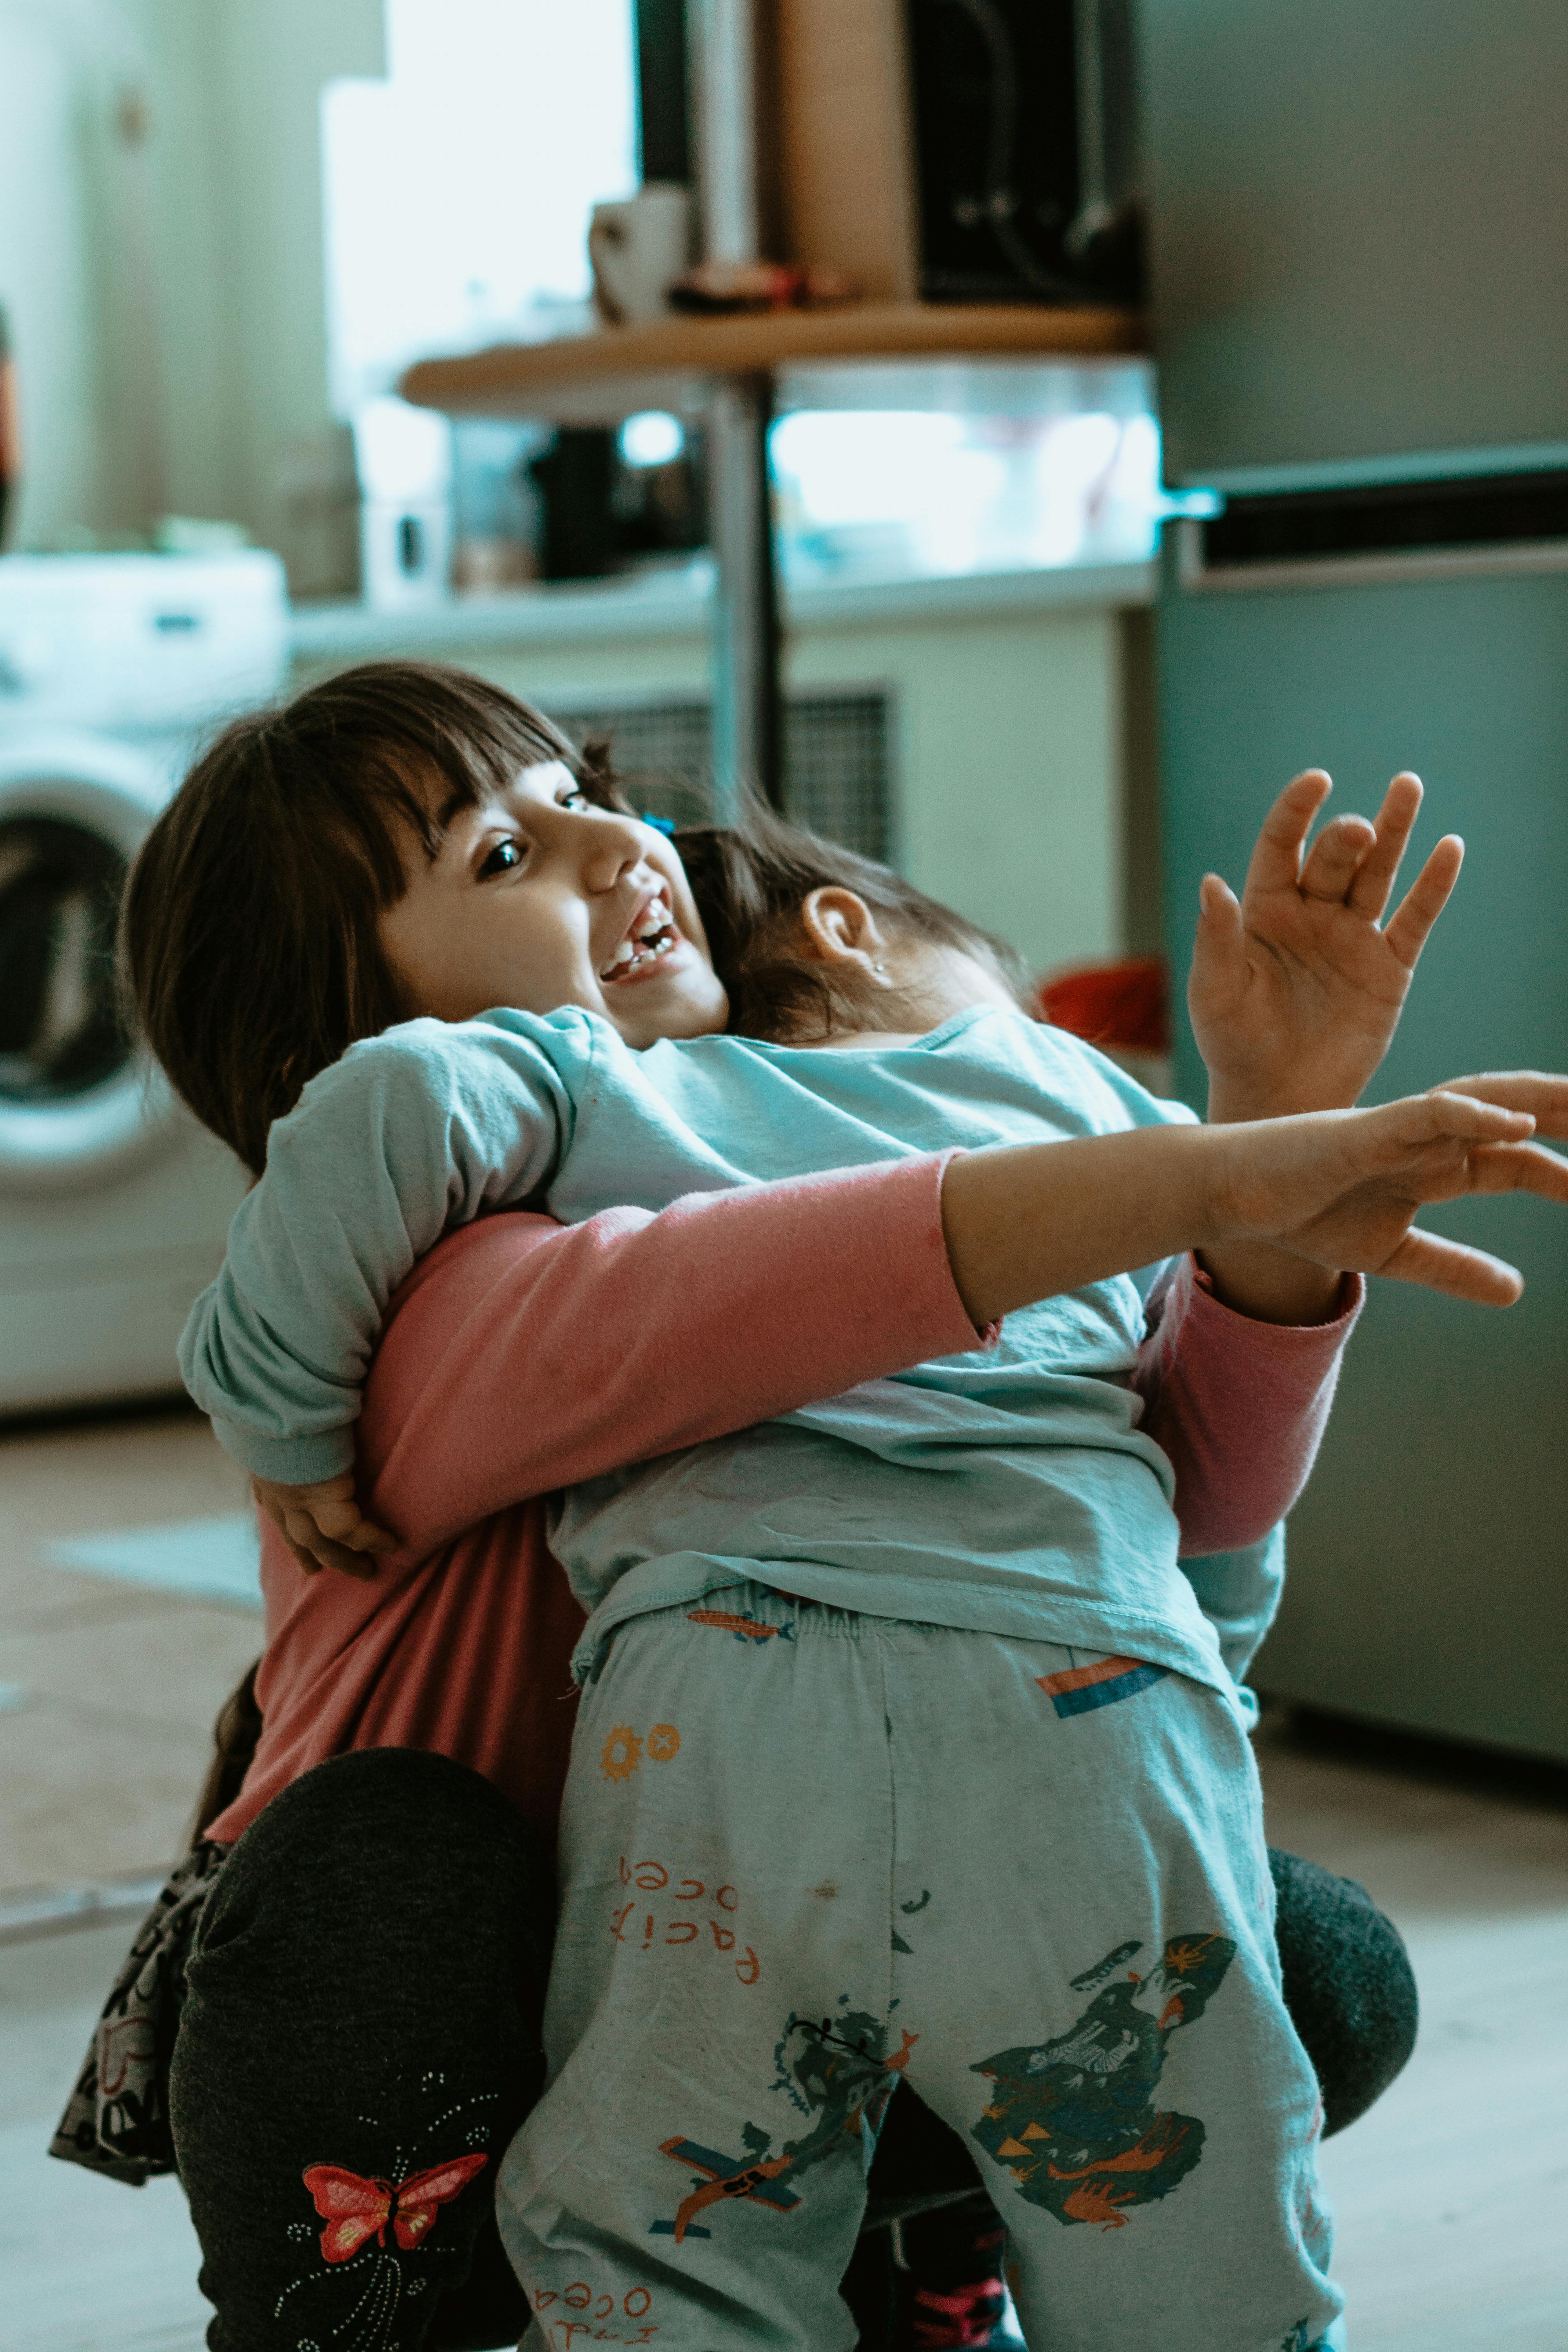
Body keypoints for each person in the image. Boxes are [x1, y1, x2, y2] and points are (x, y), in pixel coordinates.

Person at [171, 665, 1568, 2352]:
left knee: (1300, 1965)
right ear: (343, 1028)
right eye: (495, 855)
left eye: (587, 785)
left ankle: (915, 2253)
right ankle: (382, 2323)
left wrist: (1269, 1172)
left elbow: (1192, 1491)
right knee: (390, 1887)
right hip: (438, 2001)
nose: (618, 841)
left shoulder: (697, 1119)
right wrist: (1213, 1167)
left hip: (783, 1863)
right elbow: (766, 1288)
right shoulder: (441, 1291)